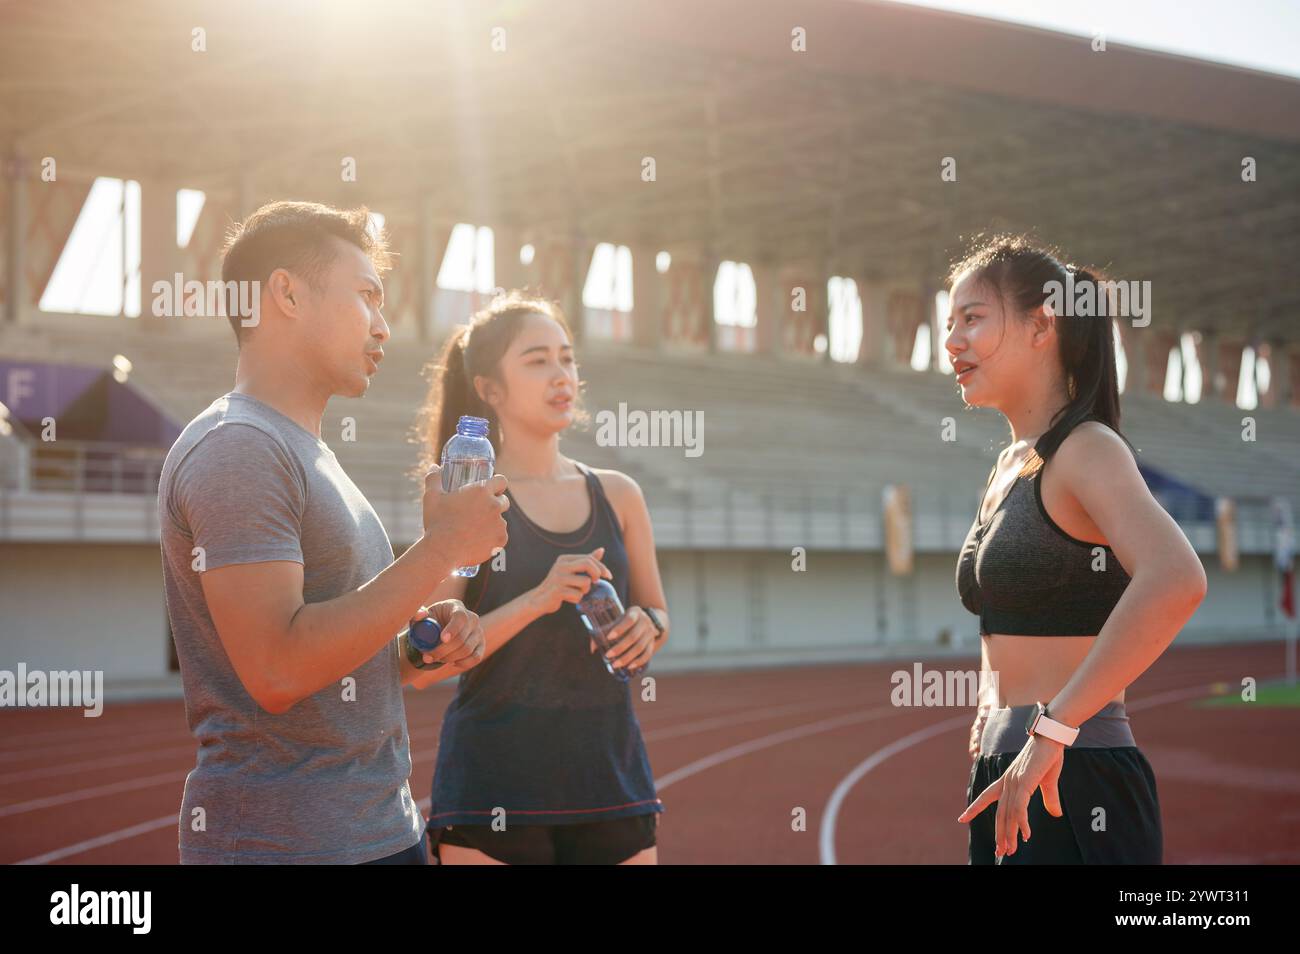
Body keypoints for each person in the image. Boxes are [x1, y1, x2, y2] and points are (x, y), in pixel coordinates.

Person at [157, 200, 509, 864]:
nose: (384, 326)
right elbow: (277, 670)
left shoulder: (306, 452)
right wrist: (441, 549)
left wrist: (418, 644)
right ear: (286, 293)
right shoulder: (239, 449)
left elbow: (336, 661)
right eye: (367, 298)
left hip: (377, 830)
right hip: (287, 845)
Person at [946, 235, 1207, 864]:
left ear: (1042, 325)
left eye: (972, 320)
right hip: (1007, 767)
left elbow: (1176, 578)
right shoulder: (1011, 465)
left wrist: (1054, 725)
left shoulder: (1086, 448)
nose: (951, 342)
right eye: (948, 323)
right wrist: (991, 714)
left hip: (1076, 774)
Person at [410, 291, 670, 864]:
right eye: (537, 360)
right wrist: (540, 598)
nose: (561, 375)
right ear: (488, 388)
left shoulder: (619, 495)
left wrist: (646, 626)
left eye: (567, 358)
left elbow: (657, 611)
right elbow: (424, 663)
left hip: (611, 780)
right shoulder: (466, 498)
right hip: (494, 791)